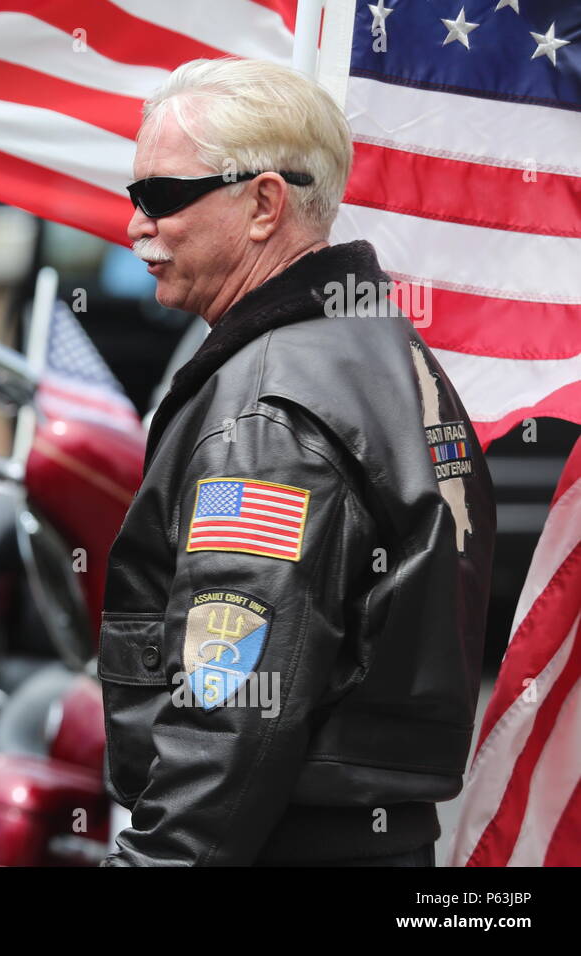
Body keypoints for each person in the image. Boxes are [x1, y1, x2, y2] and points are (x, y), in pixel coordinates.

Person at [100, 58, 494, 866]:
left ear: (264, 203)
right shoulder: (379, 348)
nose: (136, 225)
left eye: (162, 197)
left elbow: (232, 710)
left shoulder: (264, 414)